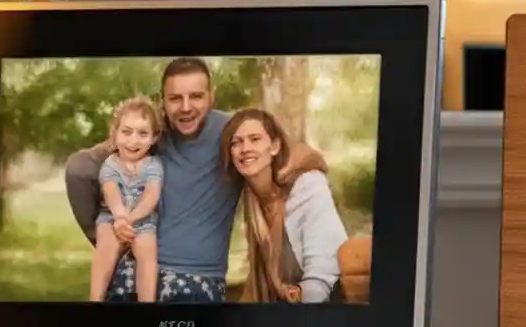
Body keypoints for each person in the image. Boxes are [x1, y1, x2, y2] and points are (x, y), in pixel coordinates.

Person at [65, 57, 241, 303]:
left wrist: (309, 163)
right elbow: (79, 169)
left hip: (196, 279)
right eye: (175, 98)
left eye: (197, 96)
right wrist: (115, 231)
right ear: (162, 101)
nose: (186, 107)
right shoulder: (151, 132)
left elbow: (287, 150)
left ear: (212, 95)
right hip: (133, 269)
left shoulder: (234, 130)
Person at [219, 108, 347, 303]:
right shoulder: (252, 198)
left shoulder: (307, 184)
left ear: (275, 146)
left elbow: (323, 268)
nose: (245, 148)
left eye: (255, 139)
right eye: (236, 143)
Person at [89, 97, 164, 303]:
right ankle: (94, 299)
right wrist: (120, 218)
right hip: (113, 216)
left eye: (143, 133)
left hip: (142, 219)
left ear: (154, 138)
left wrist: (130, 220)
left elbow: (151, 197)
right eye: (127, 132)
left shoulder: (152, 165)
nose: (133, 141)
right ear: (115, 134)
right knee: (106, 241)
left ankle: (146, 303)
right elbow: (111, 194)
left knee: (148, 252)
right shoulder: (111, 165)